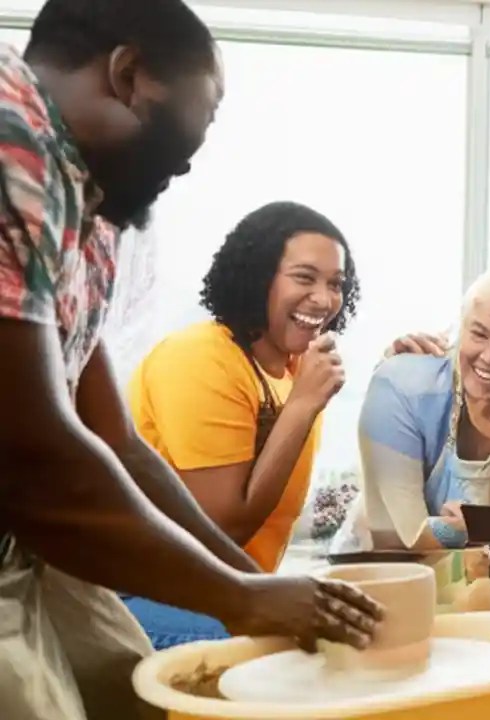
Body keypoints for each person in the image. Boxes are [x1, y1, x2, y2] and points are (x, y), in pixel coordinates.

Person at [0, 3, 380, 719]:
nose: (192, 156)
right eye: (197, 121)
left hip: (33, 546)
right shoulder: (12, 135)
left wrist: (250, 595)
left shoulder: (89, 211)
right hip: (36, 518)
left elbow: (114, 442)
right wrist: (238, 593)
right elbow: (37, 464)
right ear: (128, 73)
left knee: (140, 693)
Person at [122, 201, 360, 648]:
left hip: (221, 591)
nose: (325, 298)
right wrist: (303, 406)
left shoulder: (292, 373)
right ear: (258, 276)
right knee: (295, 650)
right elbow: (223, 530)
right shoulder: (199, 358)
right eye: (304, 278)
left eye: (336, 284)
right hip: (139, 593)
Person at [332, 268, 490, 553]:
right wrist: (476, 529)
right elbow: (398, 538)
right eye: (479, 334)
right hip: (383, 579)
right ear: (460, 326)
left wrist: (485, 528)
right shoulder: (402, 385)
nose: (489, 357)